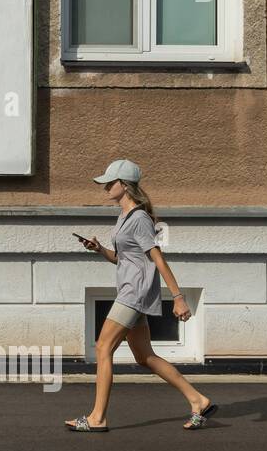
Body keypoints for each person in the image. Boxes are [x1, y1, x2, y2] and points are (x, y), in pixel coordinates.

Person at [65, 159, 217, 432]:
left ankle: (97, 418)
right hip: (129, 289)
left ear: (124, 185)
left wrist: (178, 297)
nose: (105, 188)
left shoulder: (139, 218)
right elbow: (124, 259)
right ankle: (198, 399)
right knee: (144, 356)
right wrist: (99, 249)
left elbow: (157, 259)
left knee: (102, 348)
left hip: (134, 293)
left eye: (110, 183)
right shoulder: (123, 217)